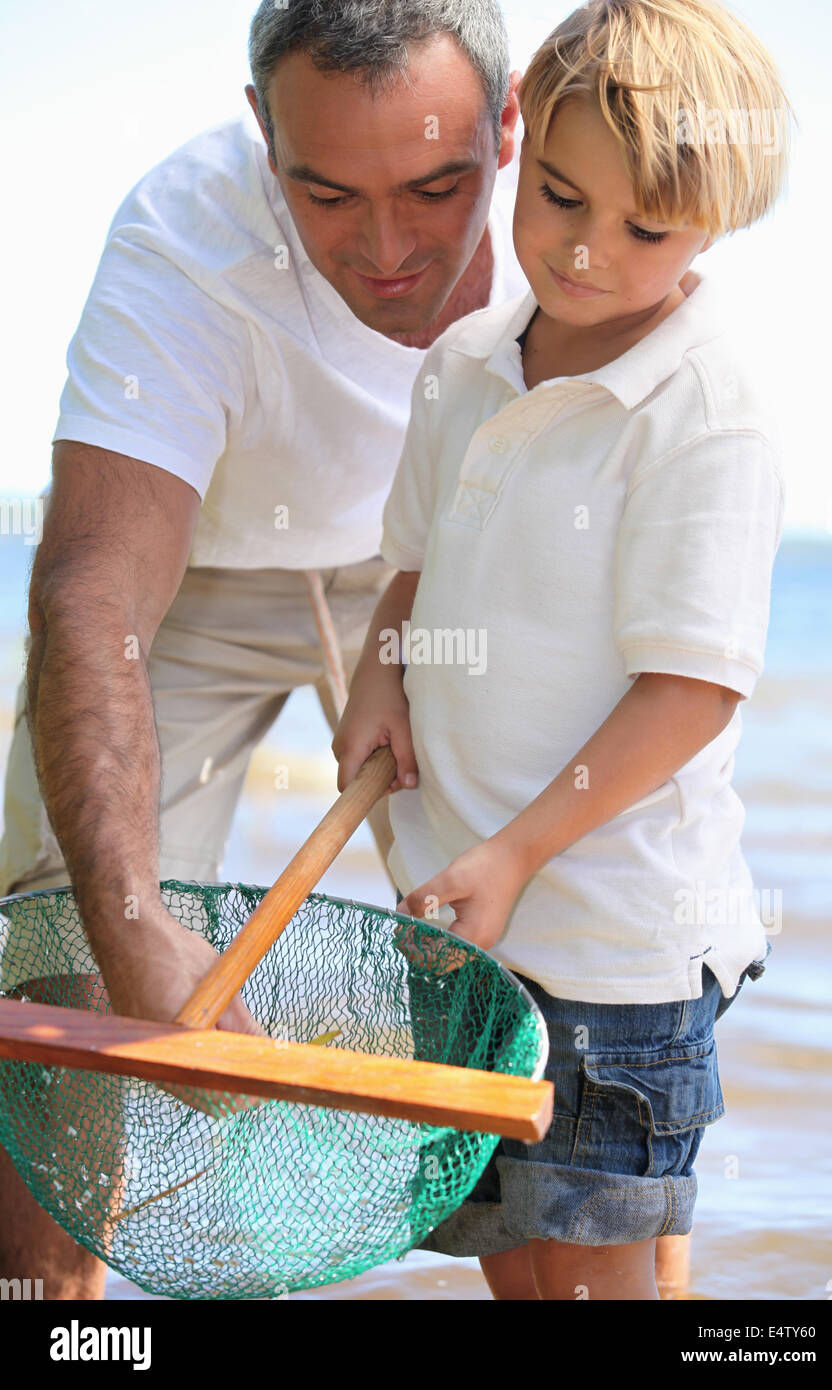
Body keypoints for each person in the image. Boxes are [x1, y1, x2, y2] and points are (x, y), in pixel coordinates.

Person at [0, 0, 526, 1299]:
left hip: (452, 563)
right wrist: (130, 925)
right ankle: (46, 1306)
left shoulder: (580, 207)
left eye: (438, 185)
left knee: (553, 929)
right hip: (210, 568)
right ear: (260, 136)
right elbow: (92, 592)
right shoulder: (183, 234)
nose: (391, 248)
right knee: (55, 937)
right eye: (328, 193)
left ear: (508, 129)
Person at [333, 0, 794, 1300]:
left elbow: (691, 688)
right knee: (516, 1261)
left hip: (608, 948)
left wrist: (519, 850)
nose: (585, 251)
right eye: (555, 196)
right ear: (519, 121)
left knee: (592, 1281)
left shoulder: (701, 413)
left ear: (714, 218)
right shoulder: (468, 360)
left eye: (643, 229)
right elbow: (410, 559)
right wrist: (380, 670)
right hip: (471, 923)